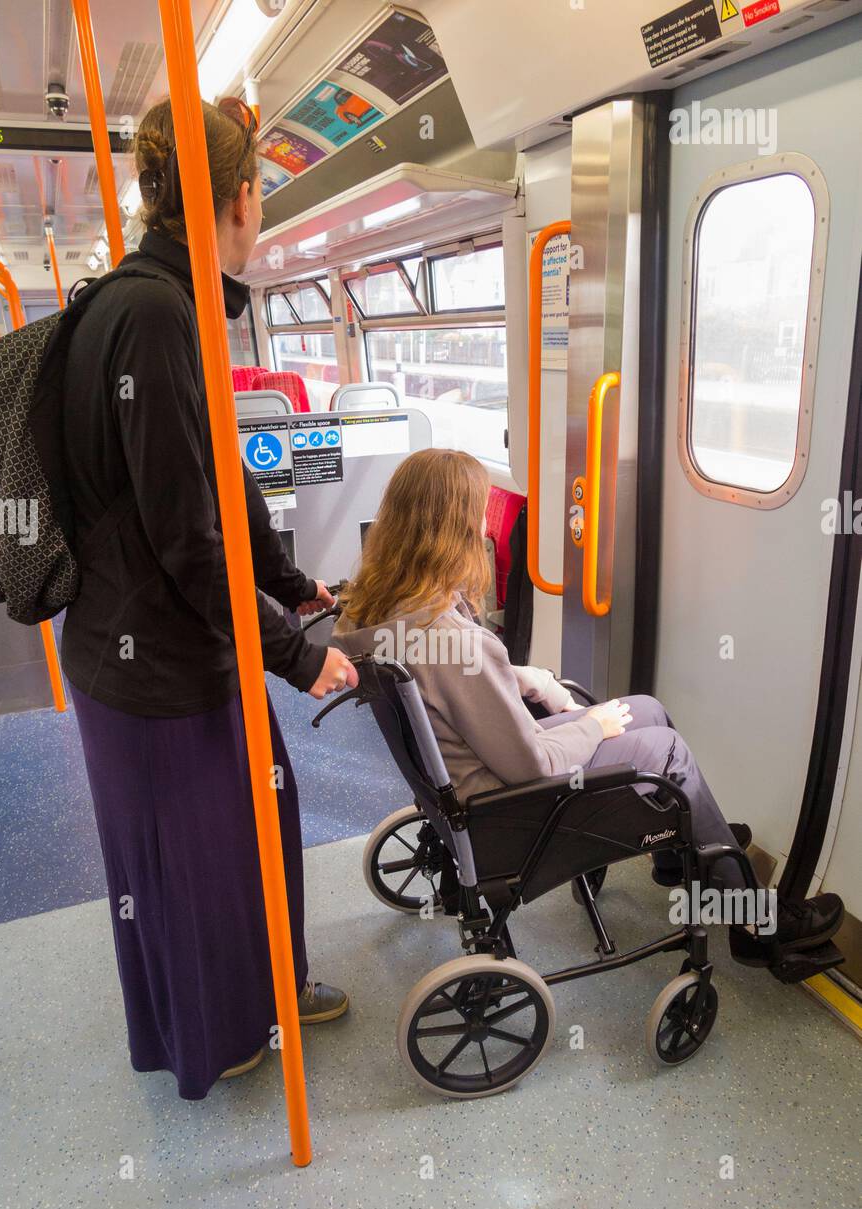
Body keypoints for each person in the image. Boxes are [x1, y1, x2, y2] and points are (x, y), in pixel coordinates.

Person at [61, 97, 358, 1100]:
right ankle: (221, 1036)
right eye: (262, 192)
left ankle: (263, 991)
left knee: (249, 825)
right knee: (193, 874)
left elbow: (216, 478)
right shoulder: (151, 315)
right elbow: (188, 539)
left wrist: (283, 581)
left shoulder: (160, 301)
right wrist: (298, 650)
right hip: (154, 663)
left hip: (159, 644)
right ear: (238, 197)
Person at [333, 449, 844, 950]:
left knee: (643, 707)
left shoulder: (377, 612)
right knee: (664, 747)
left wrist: (526, 677)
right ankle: (752, 922)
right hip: (504, 811)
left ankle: (679, 852)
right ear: (458, 532)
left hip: (462, 785)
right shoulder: (456, 640)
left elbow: (448, 682)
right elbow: (529, 765)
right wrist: (592, 727)